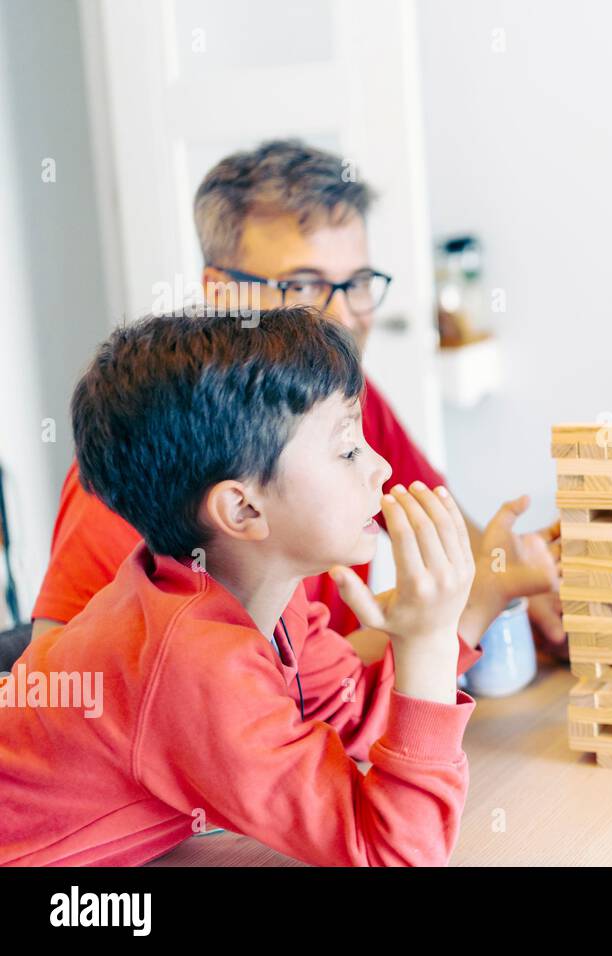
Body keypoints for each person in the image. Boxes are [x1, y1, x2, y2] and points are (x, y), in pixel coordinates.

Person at [29, 139, 563, 658]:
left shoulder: (345, 402)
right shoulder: (152, 455)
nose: (342, 317)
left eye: (357, 283)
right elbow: (61, 691)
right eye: (303, 286)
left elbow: (461, 557)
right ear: (221, 293)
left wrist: (519, 582)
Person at [0, 308, 479, 866]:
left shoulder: (268, 601)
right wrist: (430, 643)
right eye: (347, 449)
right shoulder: (196, 663)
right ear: (243, 508)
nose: (379, 469)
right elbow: (395, 853)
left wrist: (433, 628)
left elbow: (354, 710)